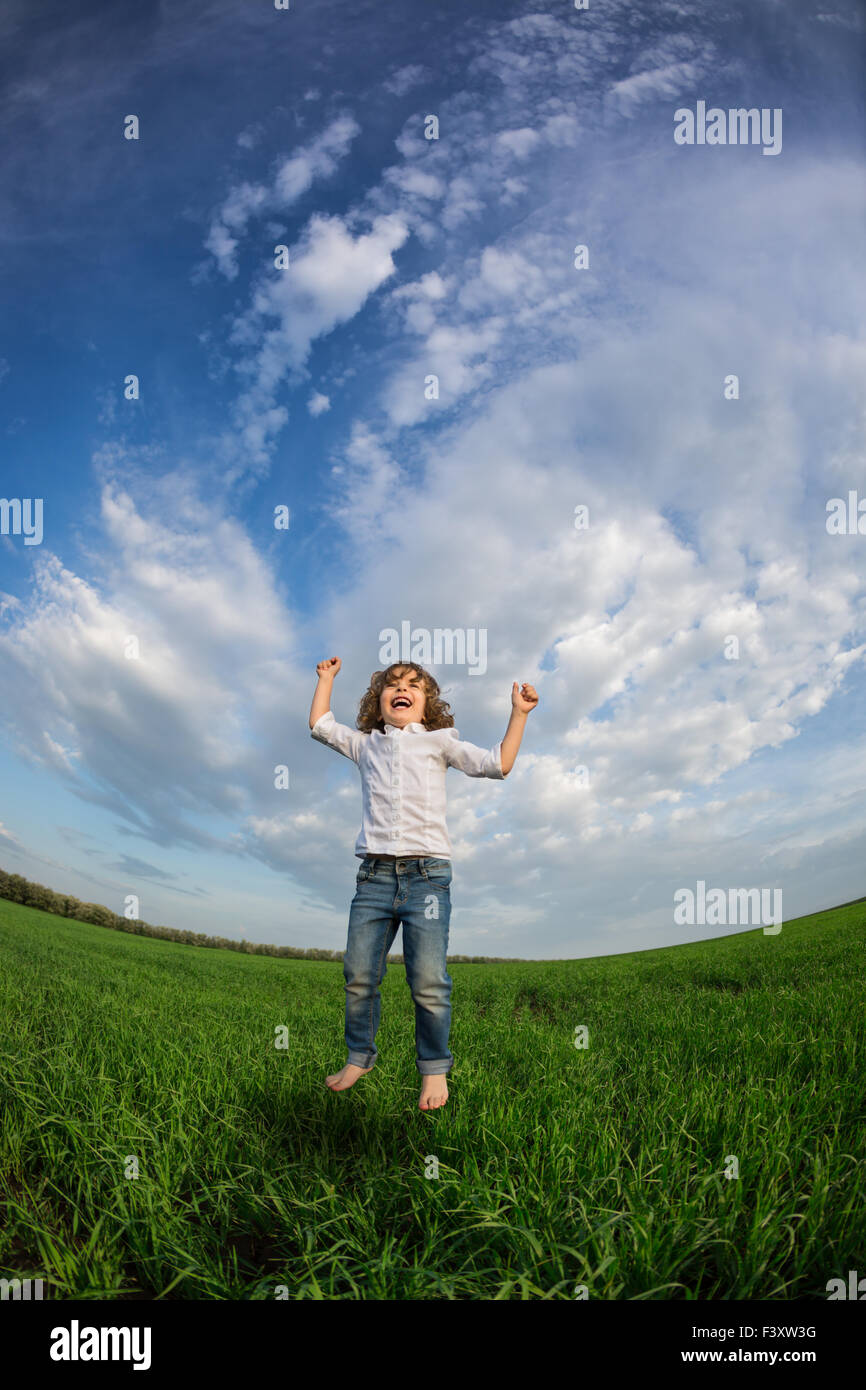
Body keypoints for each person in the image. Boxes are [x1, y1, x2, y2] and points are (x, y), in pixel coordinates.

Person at [309, 656, 538, 1110]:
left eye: (414, 685)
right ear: (378, 705)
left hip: (427, 878)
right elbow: (320, 724)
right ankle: (360, 1056)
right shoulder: (365, 745)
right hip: (373, 878)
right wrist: (327, 679)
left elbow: (499, 764)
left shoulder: (440, 742)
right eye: (392, 685)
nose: (402, 689)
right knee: (358, 974)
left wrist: (520, 714)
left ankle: (434, 1069)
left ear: (426, 704)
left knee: (428, 981)